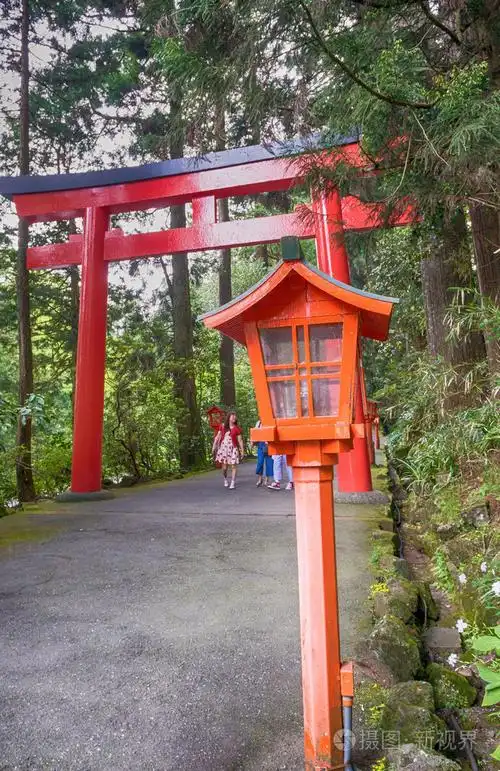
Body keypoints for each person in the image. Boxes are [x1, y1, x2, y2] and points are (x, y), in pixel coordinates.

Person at [212, 411, 244, 489]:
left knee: (233, 466)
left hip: (233, 448)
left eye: (235, 417)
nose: (234, 418)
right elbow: (218, 436)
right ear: (228, 418)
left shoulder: (237, 429)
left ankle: (232, 483)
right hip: (224, 448)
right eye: (232, 416)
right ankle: (225, 479)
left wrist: (242, 450)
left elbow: (240, 440)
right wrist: (214, 446)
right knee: (224, 468)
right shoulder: (222, 426)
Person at [254, 419, 273, 487]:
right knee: (260, 462)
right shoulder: (258, 423)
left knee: (269, 462)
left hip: (269, 444)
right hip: (260, 444)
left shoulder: (270, 422)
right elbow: (255, 433)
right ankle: (260, 479)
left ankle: (267, 480)